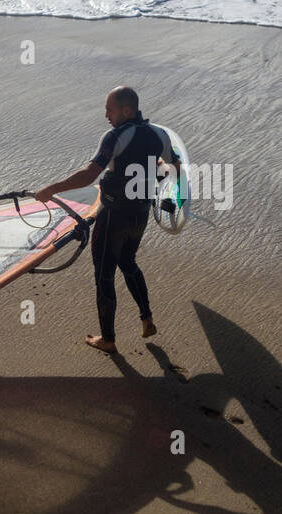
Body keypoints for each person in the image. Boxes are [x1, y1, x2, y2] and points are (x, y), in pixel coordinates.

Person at [35, 86, 176, 353]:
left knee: (104, 275)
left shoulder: (115, 137)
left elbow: (89, 175)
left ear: (127, 110)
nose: (106, 116)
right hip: (140, 214)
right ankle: (146, 318)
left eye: (110, 110)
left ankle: (108, 339)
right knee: (128, 261)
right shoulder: (161, 135)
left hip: (113, 215)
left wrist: (51, 189)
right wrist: (155, 175)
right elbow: (174, 168)